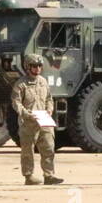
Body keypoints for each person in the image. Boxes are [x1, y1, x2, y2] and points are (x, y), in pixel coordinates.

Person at [10, 55, 62, 185]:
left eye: (39, 66)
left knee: (49, 148)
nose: (38, 68)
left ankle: (49, 175)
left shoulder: (43, 82)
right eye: (34, 66)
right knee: (28, 150)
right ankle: (29, 176)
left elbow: (49, 98)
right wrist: (26, 114)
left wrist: (50, 109)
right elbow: (16, 102)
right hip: (29, 121)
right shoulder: (21, 84)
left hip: (44, 119)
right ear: (28, 67)